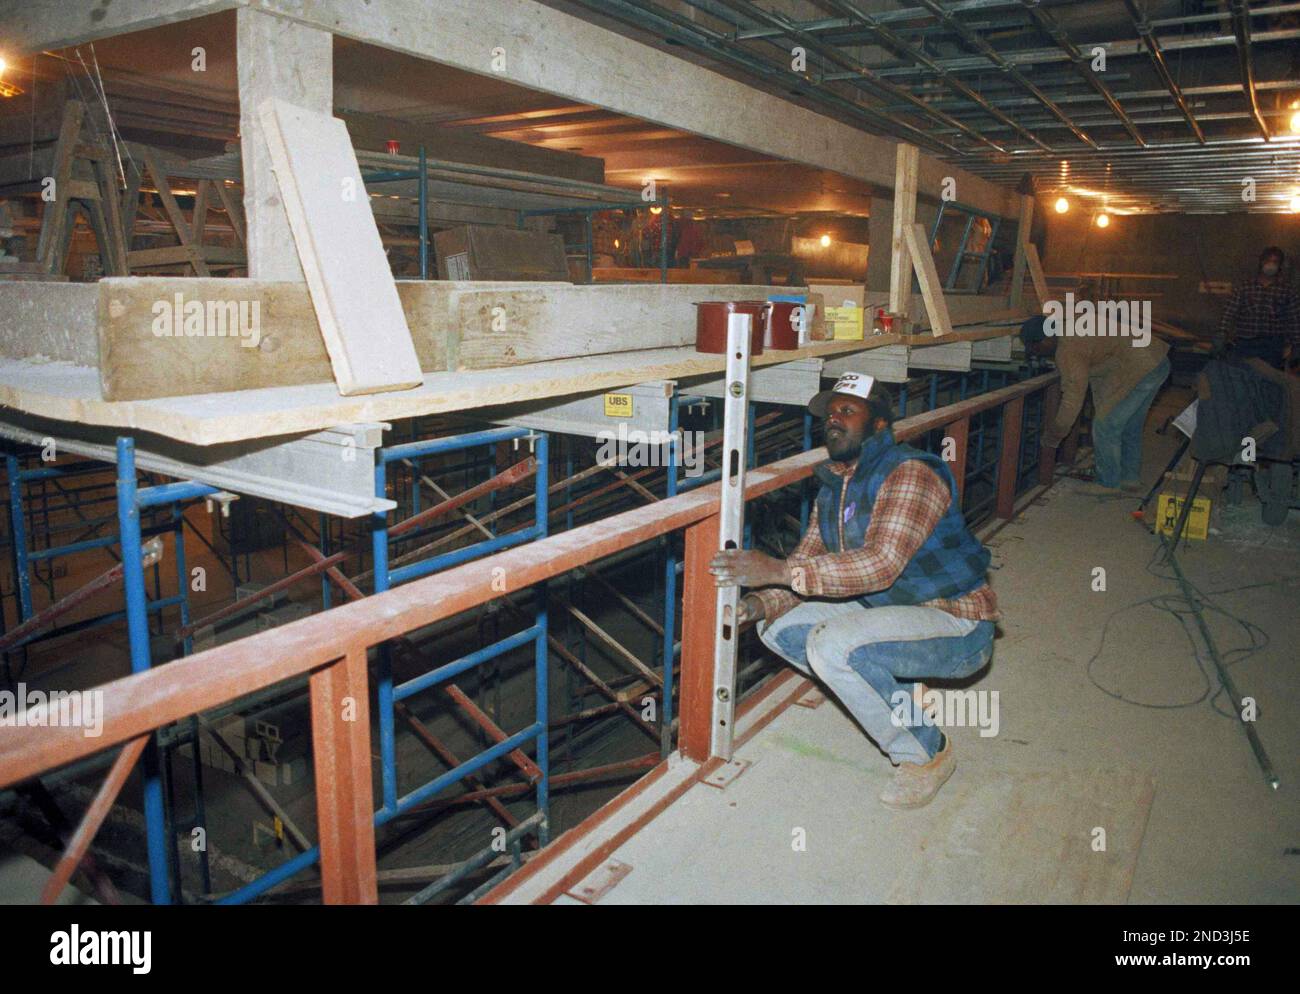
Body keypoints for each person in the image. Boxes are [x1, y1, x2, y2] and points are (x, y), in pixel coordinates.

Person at [709, 372, 999, 809]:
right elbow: (806, 562)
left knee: (833, 647)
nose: (833, 420)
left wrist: (775, 568)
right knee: (778, 627)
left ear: (880, 424)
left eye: (847, 411)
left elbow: (880, 565)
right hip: (895, 611)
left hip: (955, 622)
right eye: (829, 414)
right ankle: (891, 691)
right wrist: (758, 603)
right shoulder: (836, 486)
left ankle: (926, 754)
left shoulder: (910, 473)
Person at [1023, 314, 1170, 495]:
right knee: (1130, 425)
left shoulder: (1068, 348)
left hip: (1142, 366)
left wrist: (1054, 435)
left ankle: (1108, 483)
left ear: (1046, 338)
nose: (1036, 352)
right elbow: (1098, 367)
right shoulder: (1073, 328)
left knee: (1105, 425)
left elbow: (1072, 398)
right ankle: (1129, 478)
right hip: (1157, 360)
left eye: (1035, 347)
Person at [1219, 246, 1299, 370]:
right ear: (1261, 262)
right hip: (1246, 343)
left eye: (1275, 262)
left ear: (1280, 266)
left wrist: (1296, 345)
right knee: (1243, 376)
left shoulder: (1287, 291)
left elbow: (1294, 320)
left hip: (1272, 346)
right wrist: (1221, 334)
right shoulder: (1244, 287)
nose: (1271, 265)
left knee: (1269, 380)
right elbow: (1229, 312)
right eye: (1268, 260)